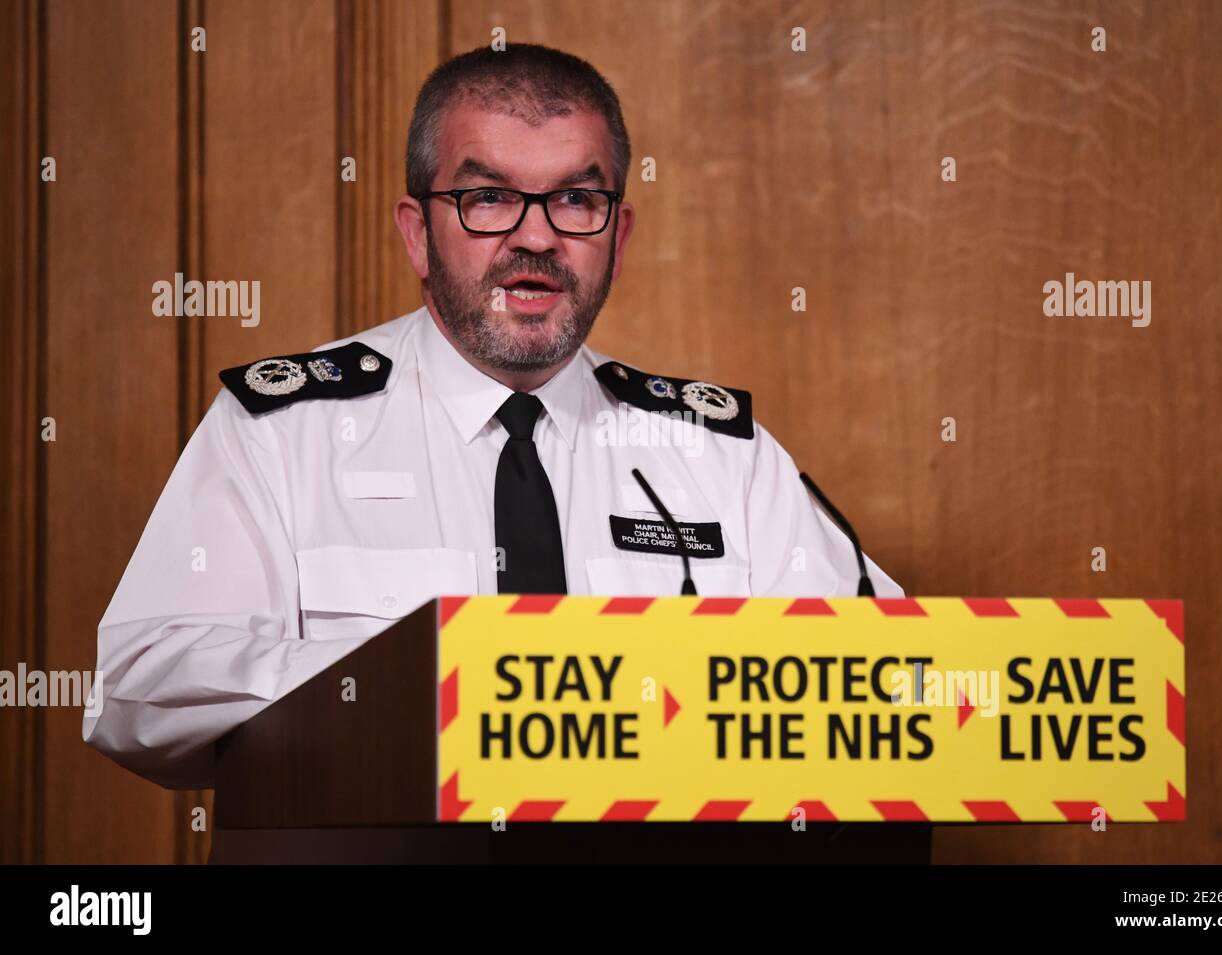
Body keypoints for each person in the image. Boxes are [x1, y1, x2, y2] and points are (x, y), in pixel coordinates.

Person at [84, 43, 902, 792]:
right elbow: (140, 687)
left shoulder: (720, 455)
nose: (535, 236)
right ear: (417, 234)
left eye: (577, 200)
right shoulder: (280, 431)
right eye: (487, 198)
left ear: (617, 239)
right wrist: (444, 675)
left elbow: (895, 685)